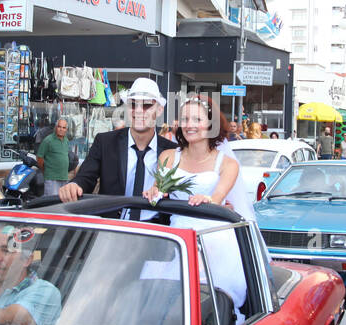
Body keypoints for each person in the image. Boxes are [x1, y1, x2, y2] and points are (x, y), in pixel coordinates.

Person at [145, 95, 247, 311]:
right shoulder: (168, 156)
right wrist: (154, 192)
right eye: (184, 119)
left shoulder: (227, 164)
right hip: (176, 236)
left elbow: (218, 197)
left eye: (196, 119)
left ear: (211, 124)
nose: (189, 125)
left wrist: (209, 200)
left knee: (202, 302)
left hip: (212, 239)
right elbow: (159, 191)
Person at [59, 78, 175, 214]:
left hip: (156, 228)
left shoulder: (172, 150)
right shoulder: (105, 142)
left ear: (159, 110)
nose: (138, 111)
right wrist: (74, 185)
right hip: (112, 227)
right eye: (133, 104)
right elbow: (86, 177)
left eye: (146, 105)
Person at [35, 117, 71, 196]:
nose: (61, 129)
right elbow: (39, 158)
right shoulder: (48, 140)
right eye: (59, 127)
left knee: (62, 203)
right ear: (56, 127)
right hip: (51, 178)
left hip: (64, 178)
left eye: (64, 127)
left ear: (66, 130)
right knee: (51, 204)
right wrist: (45, 170)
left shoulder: (66, 141)